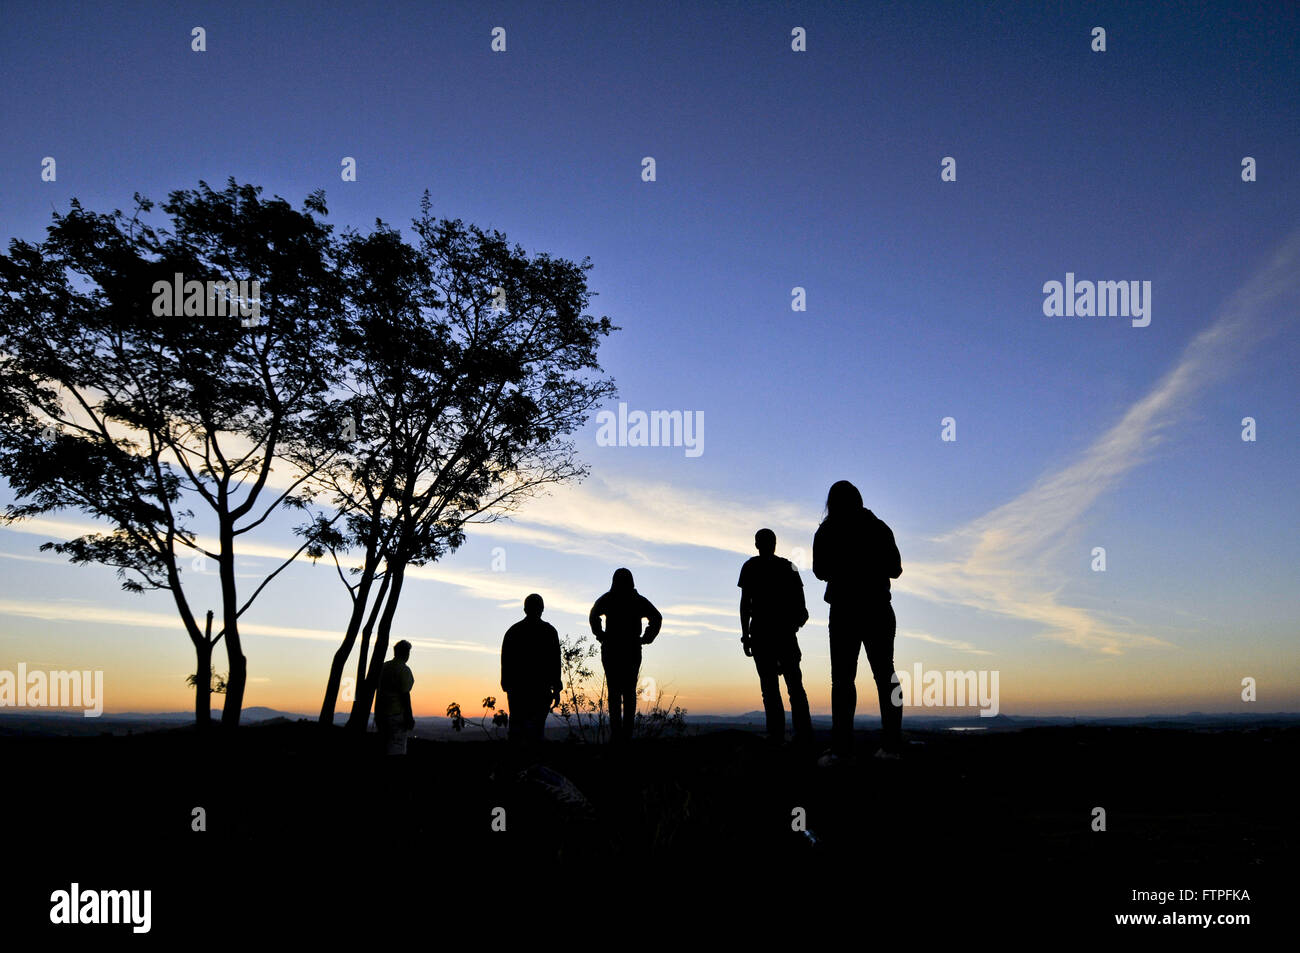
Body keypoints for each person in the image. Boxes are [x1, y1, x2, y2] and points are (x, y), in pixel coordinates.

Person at [812, 480, 903, 763]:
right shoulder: (879, 527)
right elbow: (896, 569)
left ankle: (841, 749)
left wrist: (843, 568)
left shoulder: (827, 530)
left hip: (844, 611)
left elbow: (819, 571)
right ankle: (891, 745)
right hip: (877, 608)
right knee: (885, 675)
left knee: (842, 680)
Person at [739, 528, 813, 746]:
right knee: (794, 687)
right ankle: (803, 735)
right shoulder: (788, 567)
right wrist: (792, 626)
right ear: (775, 543)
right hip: (783, 635)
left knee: (770, 689)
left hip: (762, 634)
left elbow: (745, 605)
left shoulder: (750, 567)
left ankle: (776, 736)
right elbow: (802, 609)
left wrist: (745, 635)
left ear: (756, 545)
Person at [589, 568, 662, 743]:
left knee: (616, 691)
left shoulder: (609, 598)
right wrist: (647, 637)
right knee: (627, 691)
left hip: (615, 648)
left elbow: (593, 615)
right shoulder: (637, 600)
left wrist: (601, 635)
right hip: (628, 648)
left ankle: (619, 735)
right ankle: (624, 735)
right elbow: (656, 617)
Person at [500, 593, 562, 744]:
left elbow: (506, 661)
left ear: (524, 609)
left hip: (518, 690)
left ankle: (520, 763)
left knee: (518, 730)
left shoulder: (513, 631)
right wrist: (556, 688)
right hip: (539, 690)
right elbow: (555, 662)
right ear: (542, 609)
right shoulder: (549, 632)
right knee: (535, 731)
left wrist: (506, 684)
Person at [374, 639, 415, 755]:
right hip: (396, 716)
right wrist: (409, 717)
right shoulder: (404, 670)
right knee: (397, 748)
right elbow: (405, 695)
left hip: (381, 714)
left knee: (384, 747)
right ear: (406, 654)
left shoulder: (384, 667)